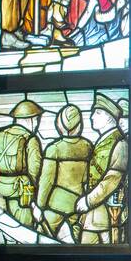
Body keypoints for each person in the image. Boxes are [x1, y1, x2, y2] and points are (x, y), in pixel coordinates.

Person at [34, 103, 92, 242]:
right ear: (79, 125)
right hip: (77, 203)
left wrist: (40, 206)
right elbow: (87, 179)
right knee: (78, 243)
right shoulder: (87, 146)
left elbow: (46, 181)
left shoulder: (54, 148)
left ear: (59, 124)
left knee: (41, 238)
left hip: (55, 204)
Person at [78, 93, 128, 244]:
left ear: (108, 117)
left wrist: (88, 200)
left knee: (112, 260)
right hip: (94, 213)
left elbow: (112, 179)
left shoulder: (120, 144)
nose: (92, 117)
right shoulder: (102, 142)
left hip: (108, 213)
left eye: (97, 113)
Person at [0, 99, 44, 231]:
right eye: (37, 120)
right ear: (31, 119)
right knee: (23, 229)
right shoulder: (31, 139)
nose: (37, 123)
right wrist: (35, 202)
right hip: (21, 195)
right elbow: (35, 172)